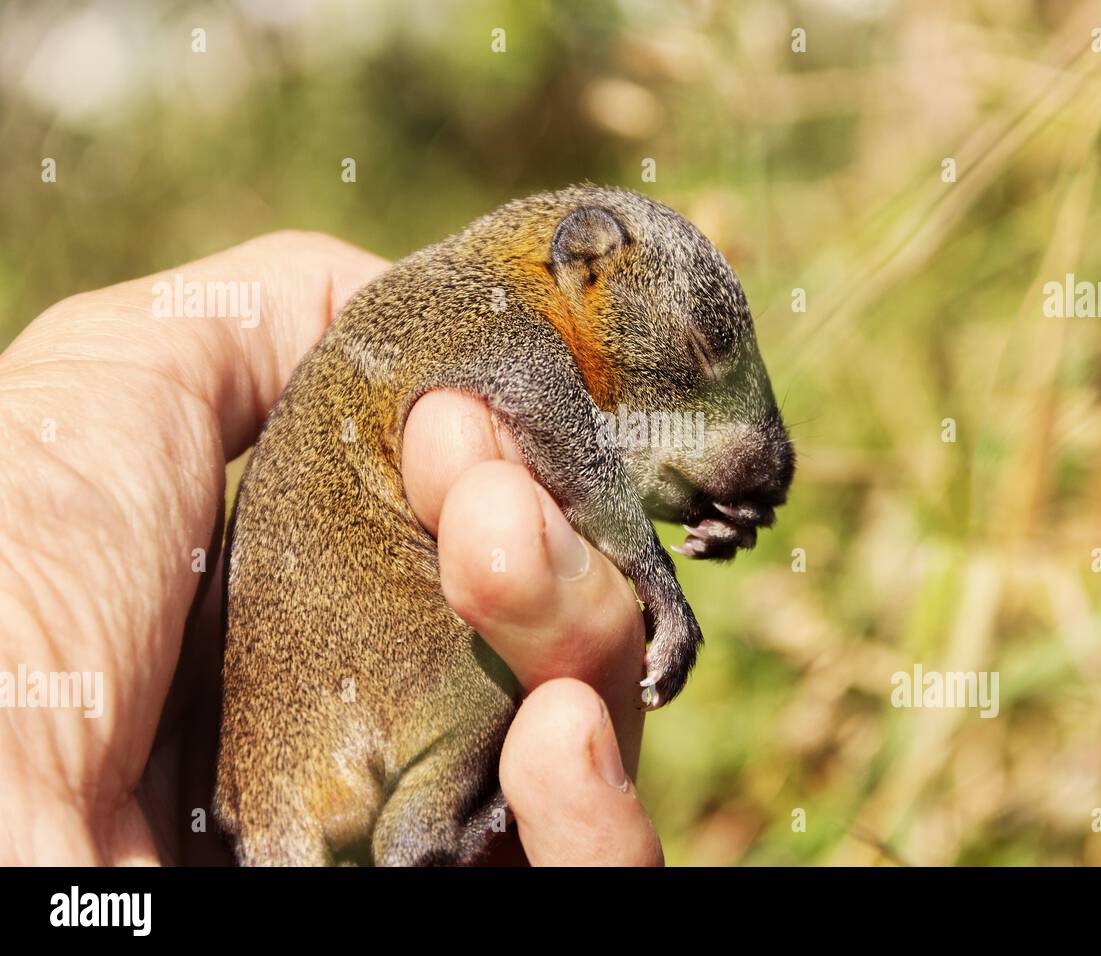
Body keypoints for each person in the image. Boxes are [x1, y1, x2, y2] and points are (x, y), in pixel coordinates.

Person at [0, 231, 662, 866]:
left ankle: (421, 819)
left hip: (257, 790)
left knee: (516, 646)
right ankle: (422, 823)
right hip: (313, 747)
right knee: (502, 655)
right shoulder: (468, 305)